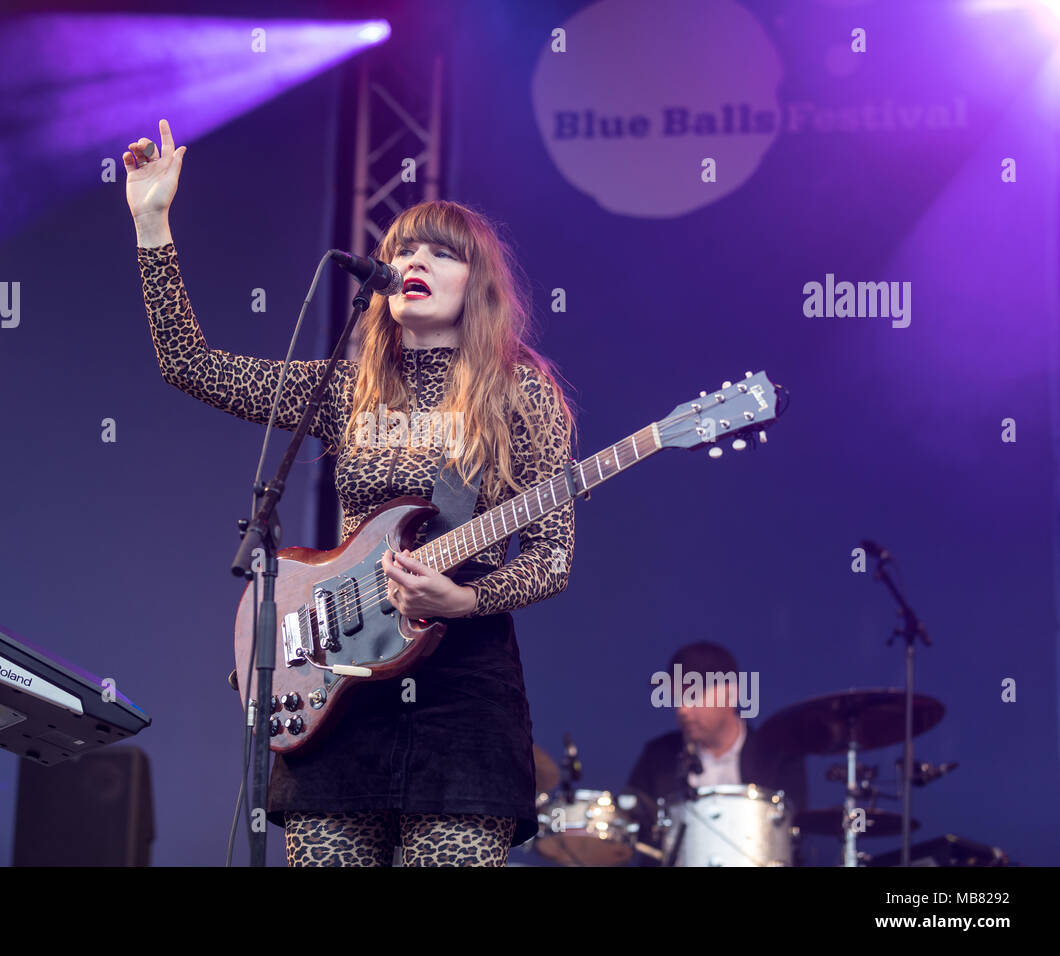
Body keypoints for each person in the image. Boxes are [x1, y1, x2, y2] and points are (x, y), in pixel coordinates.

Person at [124, 119, 578, 866]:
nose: (414, 260)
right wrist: (151, 225)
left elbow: (553, 557)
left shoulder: (520, 391)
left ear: (479, 282)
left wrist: (463, 600)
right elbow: (188, 364)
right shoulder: (347, 387)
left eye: (441, 251)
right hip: (337, 690)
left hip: (463, 695)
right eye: (402, 248)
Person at [626, 641, 807, 858]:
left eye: (692, 697)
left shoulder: (778, 757)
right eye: (677, 698)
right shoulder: (658, 756)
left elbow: (791, 835)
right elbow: (633, 825)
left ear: (731, 694)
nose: (682, 710)